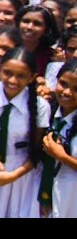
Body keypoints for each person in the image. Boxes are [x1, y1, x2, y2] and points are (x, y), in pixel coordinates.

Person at [0, 47, 48, 217]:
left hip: (22, 174)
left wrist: (13, 176)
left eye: (21, 76)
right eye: (7, 73)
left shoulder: (40, 106)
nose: (12, 80)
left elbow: (37, 151)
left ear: (32, 77)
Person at [41, 59, 77, 218]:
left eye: (76, 89)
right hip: (46, 197)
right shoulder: (47, 111)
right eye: (63, 83)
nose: (67, 92)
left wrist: (62, 157)